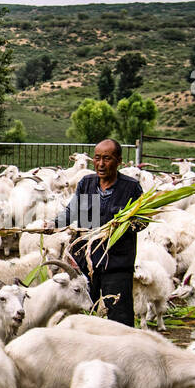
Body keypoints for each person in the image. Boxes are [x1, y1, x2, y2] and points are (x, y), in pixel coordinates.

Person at [56, 138, 145, 325]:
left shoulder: (130, 188)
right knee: (79, 315)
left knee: (120, 319)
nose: (101, 164)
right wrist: (53, 224)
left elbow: (143, 221)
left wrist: (124, 225)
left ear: (119, 160)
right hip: (86, 263)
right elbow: (73, 210)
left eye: (107, 158)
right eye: (97, 158)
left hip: (116, 265)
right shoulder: (86, 183)